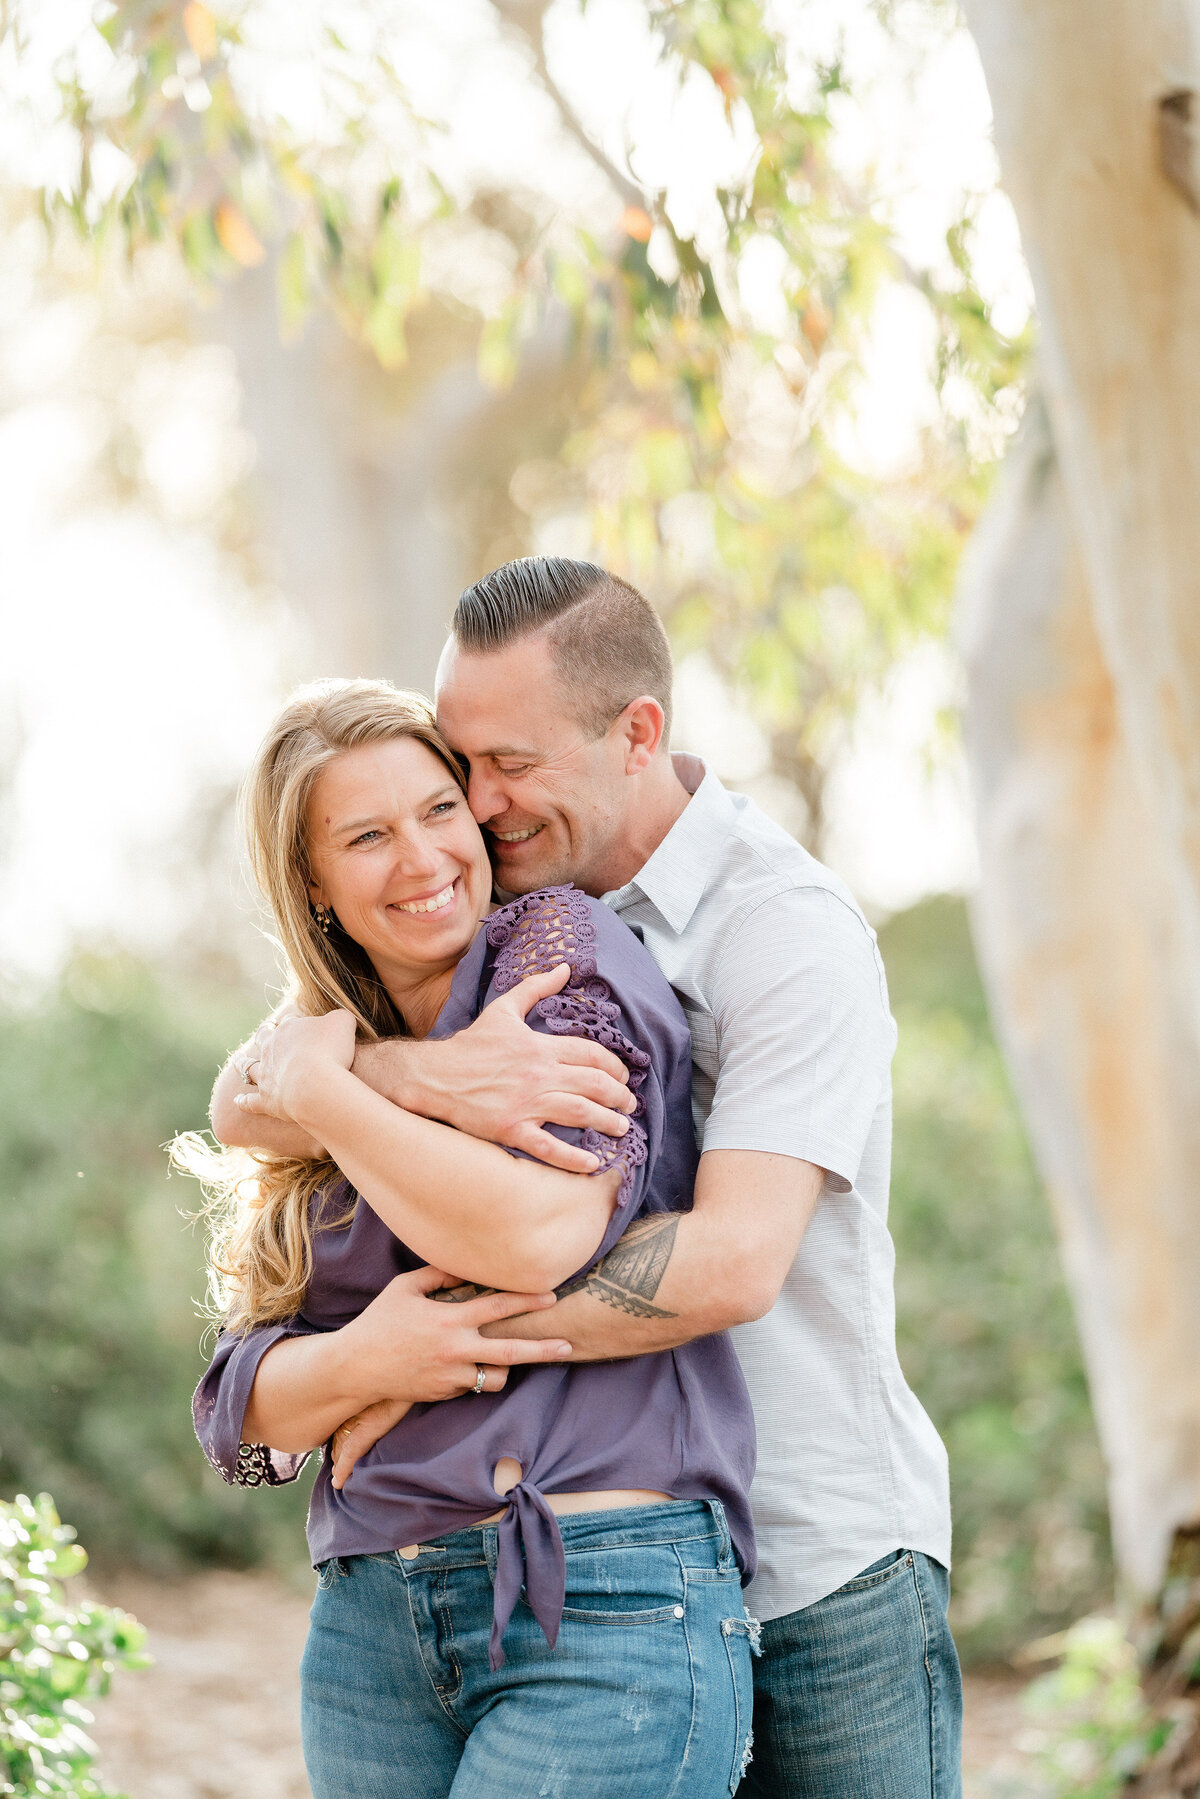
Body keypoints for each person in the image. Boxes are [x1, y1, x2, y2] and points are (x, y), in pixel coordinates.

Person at [217, 557, 963, 1799]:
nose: (479, 803)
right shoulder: (516, 907)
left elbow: (729, 1264)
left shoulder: (780, 930)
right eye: (464, 764)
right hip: (619, 1547)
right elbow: (248, 1094)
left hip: (823, 1565)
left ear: (638, 733)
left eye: (509, 763)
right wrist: (421, 1078)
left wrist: (414, 1357)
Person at [186, 679, 758, 1799]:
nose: (422, 856)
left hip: (598, 1596)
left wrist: (334, 1098)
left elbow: (539, 1233)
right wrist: (367, 1359)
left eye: (438, 810)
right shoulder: (314, 1038)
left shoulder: (555, 953)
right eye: (366, 835)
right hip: (370, 1628)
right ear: (312, 878)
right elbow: (241, 1412)